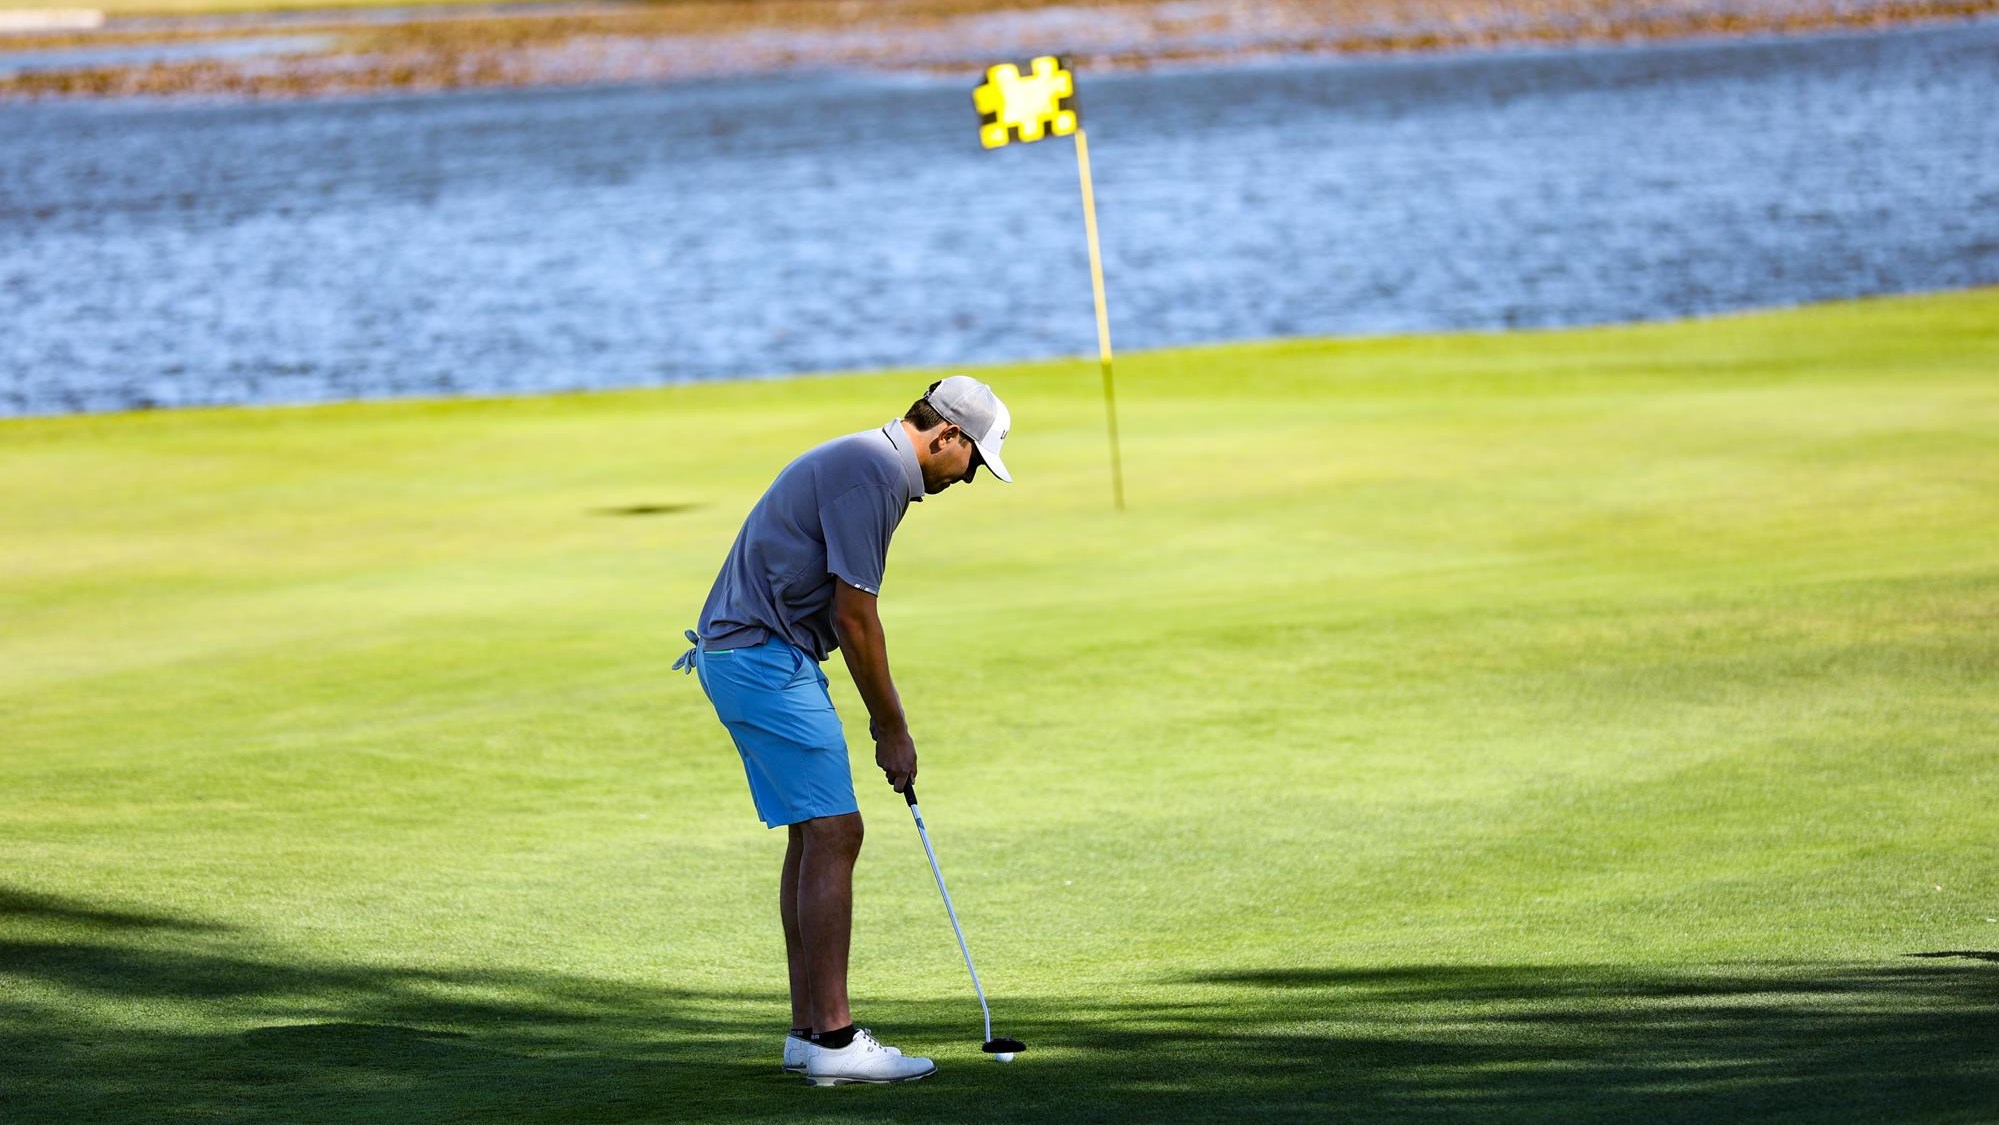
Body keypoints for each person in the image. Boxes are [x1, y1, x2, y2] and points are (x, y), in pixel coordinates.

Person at [674, 375, 1012, 1087]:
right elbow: (856, 616)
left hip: (753, 653)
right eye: (975, 459)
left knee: (816, 828)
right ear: (947, 435)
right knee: (835, 829)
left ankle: (807, 1031)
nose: (972, 474)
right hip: (761, 657)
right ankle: (832, 1035)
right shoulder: (875, 473)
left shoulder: (869, 461)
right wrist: (891, 728)